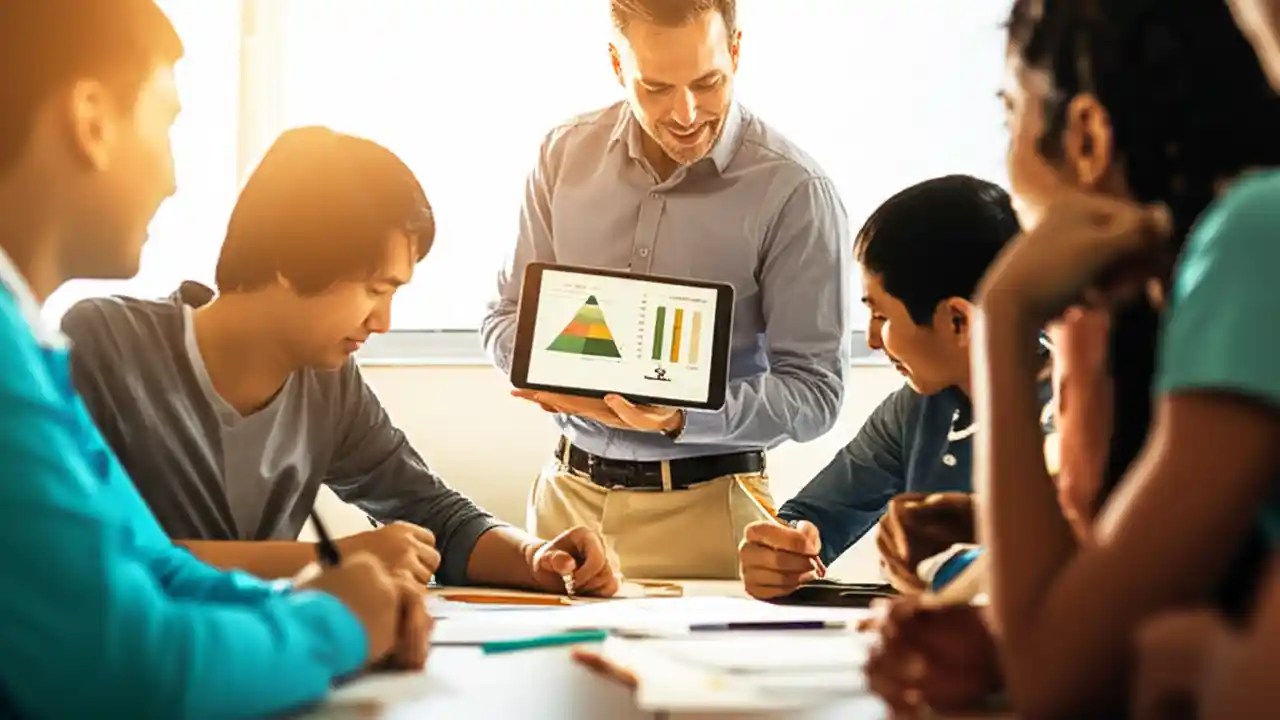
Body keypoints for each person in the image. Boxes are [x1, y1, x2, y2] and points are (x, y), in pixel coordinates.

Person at [0, 2, 427, 717]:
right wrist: (335, 623)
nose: (171, 179)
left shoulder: (28, 343)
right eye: (165, 123)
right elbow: (132, 669)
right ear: (91, 120)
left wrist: (318, 594)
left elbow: (147, 564)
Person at [62, 126, 619, 597]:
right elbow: (92, 551)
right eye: (376, 289)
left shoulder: (327, 383)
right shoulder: (105, 344)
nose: (383, 322)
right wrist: (329, 562)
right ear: (290, 261)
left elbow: (432, 513)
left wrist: (537, 558)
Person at [965, 0, 1280, 716]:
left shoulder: (1256, 237)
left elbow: (1056, 676)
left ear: (1086, 136)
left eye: (1010, 113)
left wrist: (1002, 320)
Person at [480, 0, 851, 578]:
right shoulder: (560, 155)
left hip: (714, 513)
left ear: (735, 51)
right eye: (655, 88)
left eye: (708, 83)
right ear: (615, 64)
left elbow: (816, 393)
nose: (685, 113)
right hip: (565, 504)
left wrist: (681, 418)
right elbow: (505, 315)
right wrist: (541, 371)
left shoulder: (795, 191)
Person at [736, 174, 1022, 600]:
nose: (871, 339)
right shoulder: (913, 410)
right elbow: (816, 513)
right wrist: (783, 549)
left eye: (882, 316)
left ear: (957, 320)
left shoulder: (1071, 408)